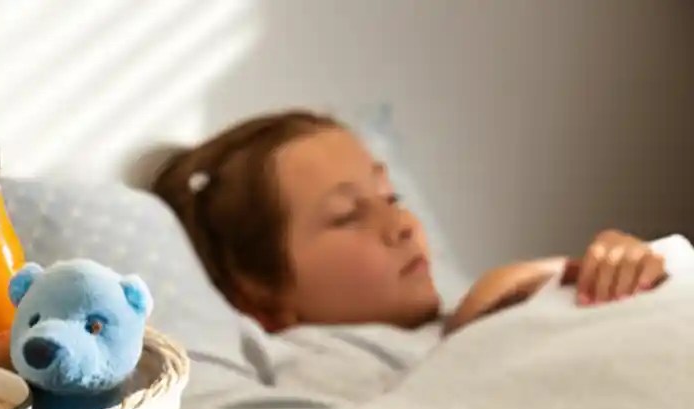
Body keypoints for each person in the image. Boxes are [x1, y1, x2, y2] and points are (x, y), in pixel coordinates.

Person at [150, 111, 671, 336]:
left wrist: (615, 262)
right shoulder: (309, 366)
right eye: (348, 216)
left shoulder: (443, 318)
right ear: (258, 294)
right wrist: (506, 286)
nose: (399, 223)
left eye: (389, 195)